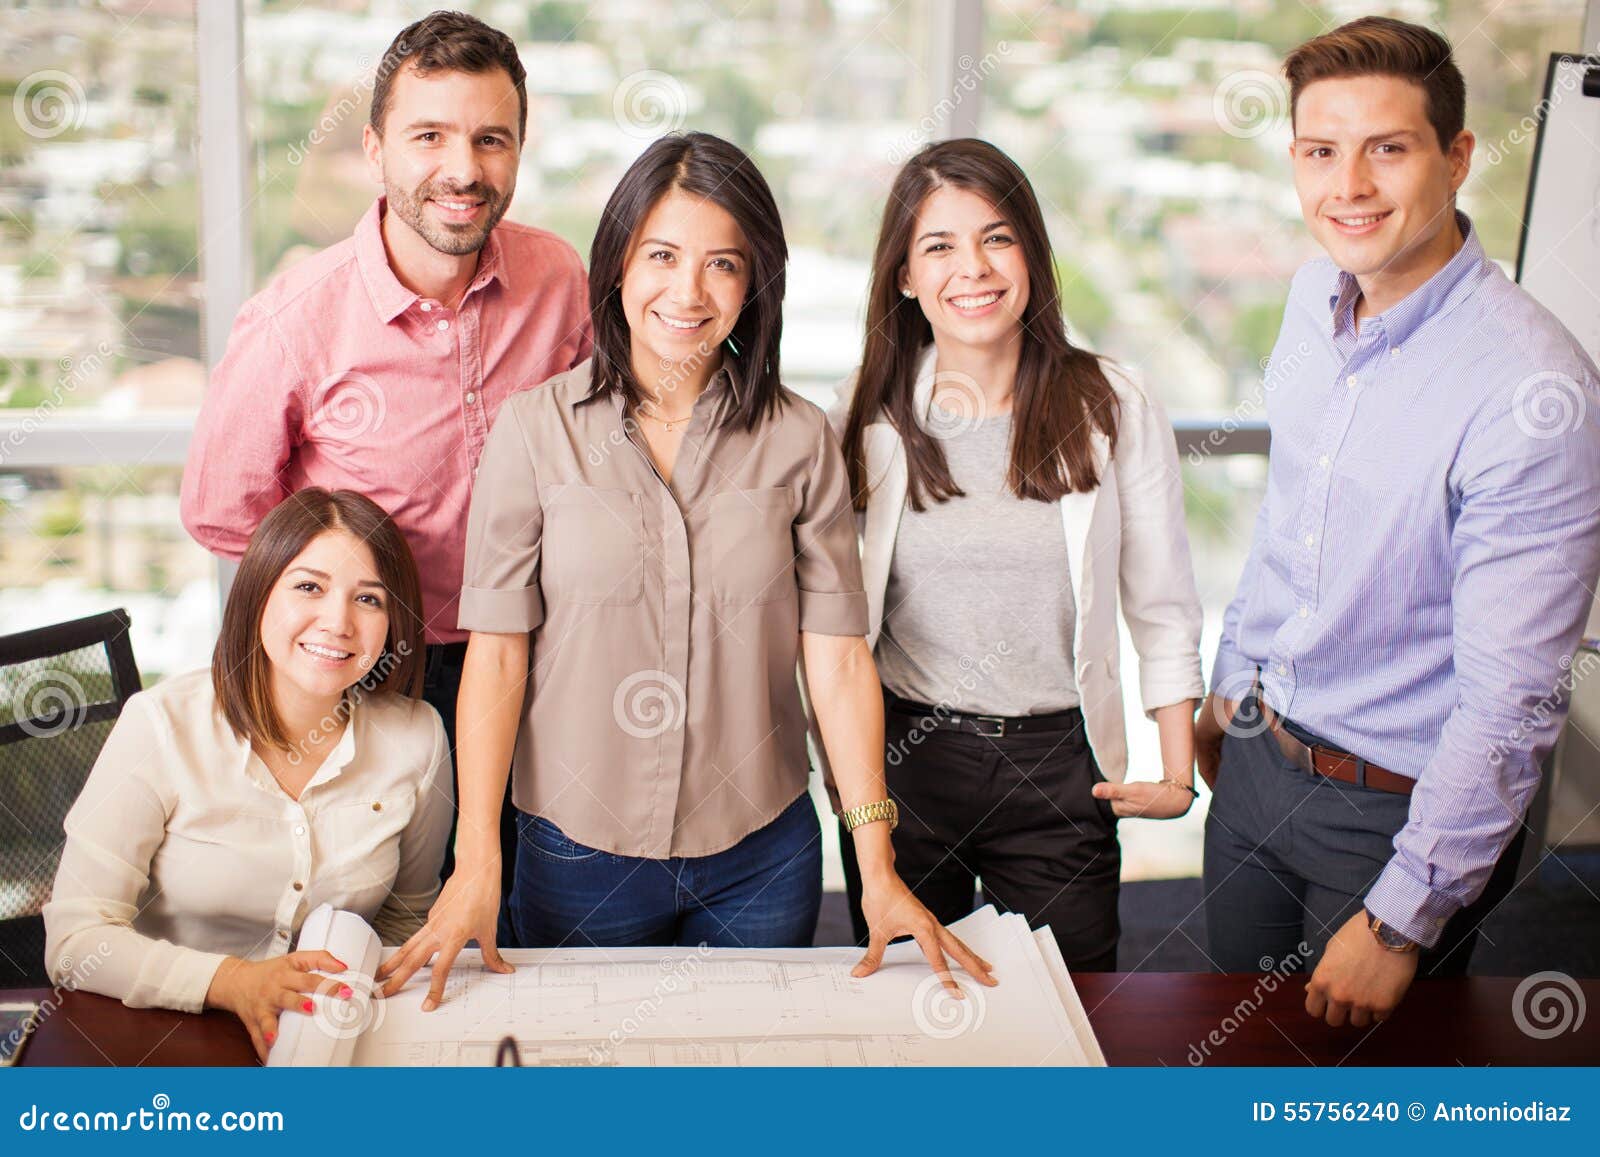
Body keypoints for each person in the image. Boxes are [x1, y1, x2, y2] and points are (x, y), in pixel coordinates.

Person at [374, 131, 997, 1011]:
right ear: (618, 265)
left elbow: (835, 657)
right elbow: (498, 654)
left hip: (761, 858)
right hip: (575, 855)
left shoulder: (799, 438)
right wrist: (478, 856)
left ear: (755, 282)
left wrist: (876, 860)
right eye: (662, 256)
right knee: (581, 1075)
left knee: (742, 1075)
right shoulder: (535, 431)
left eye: (723, 264)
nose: (689, 292)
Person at [1198, 16, 1600, 1027]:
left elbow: (1512, 700)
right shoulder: (1311, 294)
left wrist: (1398, 920)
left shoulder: (1533, 390)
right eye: (1319, 152)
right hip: (1255, 761)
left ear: (1456, 158)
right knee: (1232, 1046)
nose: (1349, 186)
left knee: (1357, 1091)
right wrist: (1231, 682)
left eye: (1387, 148)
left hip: (1393, 815)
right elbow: (1286, 519)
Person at [179, 10, 590, 888]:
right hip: (370, 670)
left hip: (535, 658)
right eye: (428, 136)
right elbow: (221, 511)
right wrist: (340, 604)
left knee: (524, 902)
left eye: (490, 139)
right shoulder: (296, 319)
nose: (462, 169)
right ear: (375, 150)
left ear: (518, 151)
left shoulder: (559, 281)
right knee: (369, 911)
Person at [829, 138, 1205, 972]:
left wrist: (1178, 771)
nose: (974, 267)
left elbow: (1162, 598)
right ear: (904, 276)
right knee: (908, 1001)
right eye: (939, 246)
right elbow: (828, 617)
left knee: (1070, 1004)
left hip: (1058, 766)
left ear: (1031, 252)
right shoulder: (868, 412)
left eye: (997, 237)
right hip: (907, 758)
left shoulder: (1111, 400)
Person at [44, 489, 452, 1061]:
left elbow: (406, 916)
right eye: (309, 587)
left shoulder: (417, 737)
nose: (338, 622)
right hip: (167, 1034)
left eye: (368, 599)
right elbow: (75, 940)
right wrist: (233, 981)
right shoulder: (161, 724)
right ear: (259, 592)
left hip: (325, 1037)